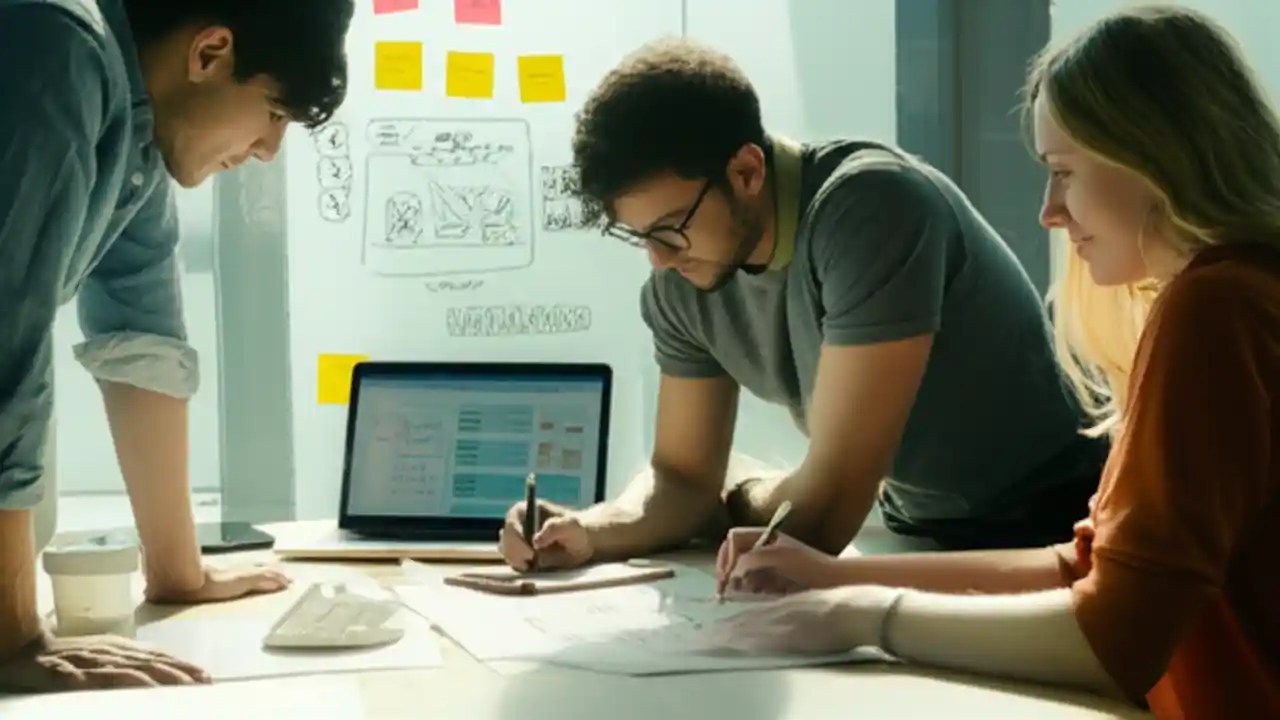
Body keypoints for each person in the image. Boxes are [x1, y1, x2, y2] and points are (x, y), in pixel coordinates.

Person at [704, 7, 1280, 719]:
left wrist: (867, 616)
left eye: (1064, 172)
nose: (1049, 211)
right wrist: (829, 579)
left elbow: (1114, 639)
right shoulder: (1242, 296)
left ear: (1156, 157)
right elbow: (1088, 569)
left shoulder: (1216, 309)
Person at [498, 38, 1108, 571]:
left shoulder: (870, 207)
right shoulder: (684, 281)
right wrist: (589, 530)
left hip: (1060, 526)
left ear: (746, 171)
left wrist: (736, 500)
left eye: (670, 228)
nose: (658, 259)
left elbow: (830, 503)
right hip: (920, 533)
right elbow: (682, 480)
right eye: (639, 236)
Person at [0, 0, 353, 693]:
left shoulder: (138, 122)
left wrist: (178, 572)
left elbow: (144, 336)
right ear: (210, 52)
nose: (267, 151)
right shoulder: (59, 47)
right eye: (275, 113)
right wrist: (12, 639)